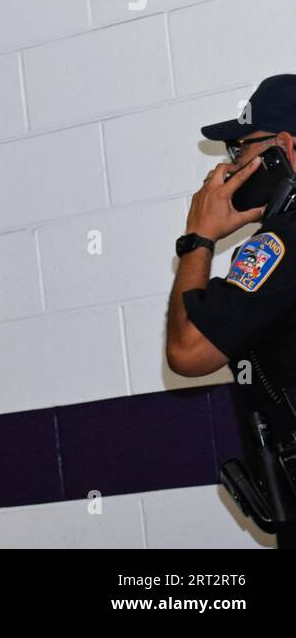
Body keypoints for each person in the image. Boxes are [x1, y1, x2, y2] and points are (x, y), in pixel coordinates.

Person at [167, 74, 296, 548]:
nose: (231, 166)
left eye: (240, 150)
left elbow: (188, 352)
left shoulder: (282, 245)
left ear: (283, 148)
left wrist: (197, 240)